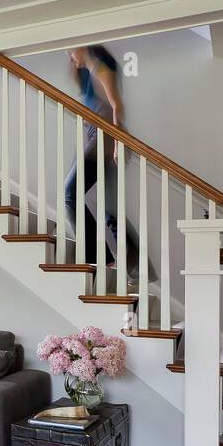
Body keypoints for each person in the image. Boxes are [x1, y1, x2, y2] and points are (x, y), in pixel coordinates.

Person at [63, 45, 140, 282]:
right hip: (96, 140)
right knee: (110, 208)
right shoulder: (88, 72)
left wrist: (118, 143)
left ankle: (101, 257)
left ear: (82, 46)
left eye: (70, 51)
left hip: (104, 140)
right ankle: (128, 261)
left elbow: (117, 106)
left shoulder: (101, 69)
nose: (70, 56)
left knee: (70, 194)